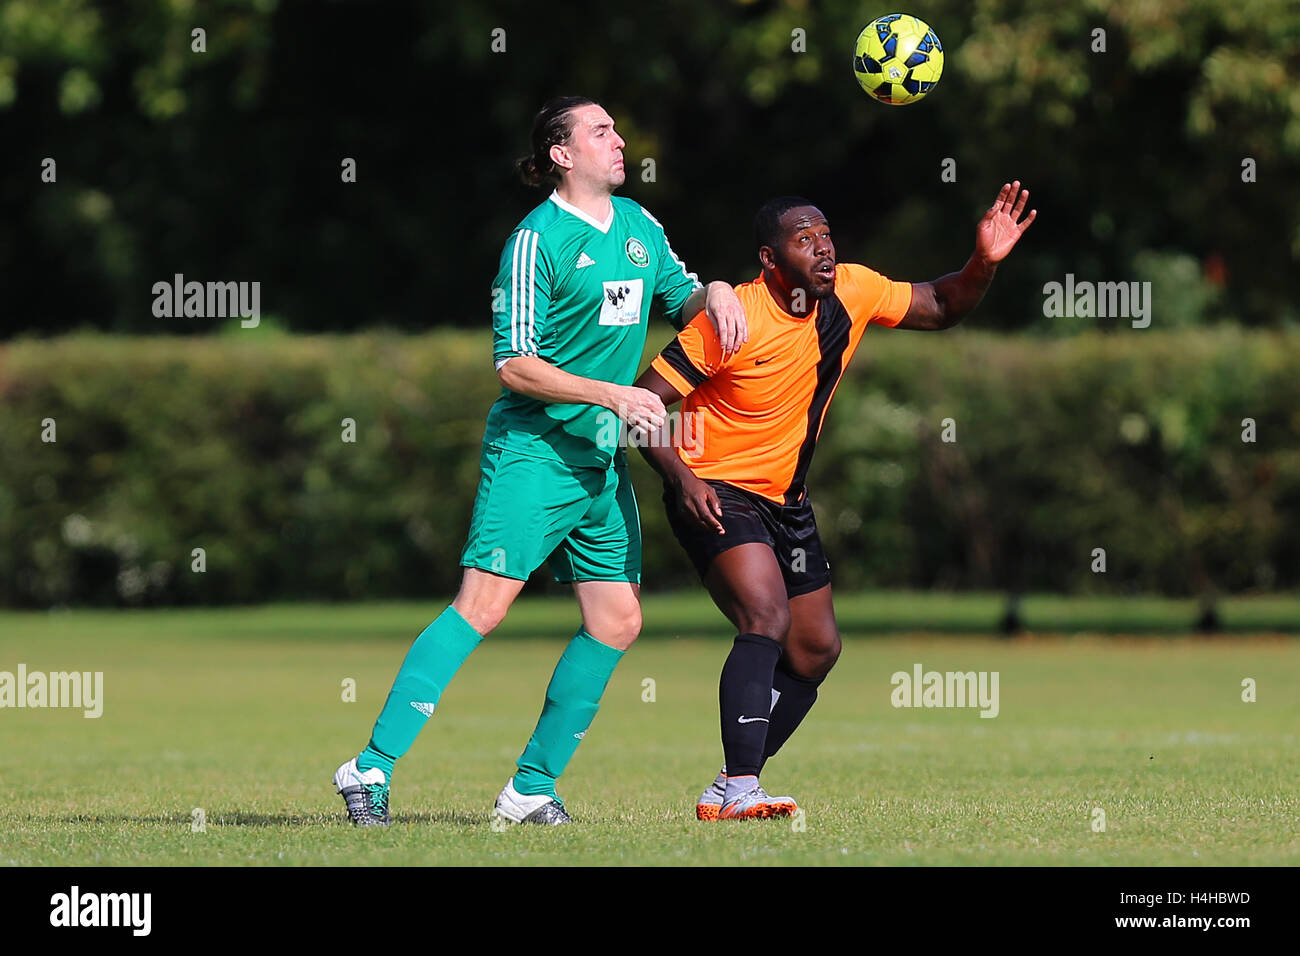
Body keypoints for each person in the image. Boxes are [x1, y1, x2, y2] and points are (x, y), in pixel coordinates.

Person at [333, 96, 748, 826]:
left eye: (616, 130)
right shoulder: (535, 241)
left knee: (617, 620)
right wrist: (614, 396)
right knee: (482, 608)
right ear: (562, 153)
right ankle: (367, 770)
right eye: (602, 131)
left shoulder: (639, 227)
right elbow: (515, 366)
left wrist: (717, 289)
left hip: (597, 464)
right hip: (534, 452)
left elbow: (686, 304)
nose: (619, 141)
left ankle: (529, 790)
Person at [633, 185, 1036, 819]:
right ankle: (742, 789)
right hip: (716, 490)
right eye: (804, 240)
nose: (823, 249)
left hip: (786, 499)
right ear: (769, 259)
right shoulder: (732, 317)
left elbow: (941, 303)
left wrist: (983, 261)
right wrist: (682, 478)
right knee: (765, 617)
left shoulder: (853, 288)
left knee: (815, 649)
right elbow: (642, 406)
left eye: (825, 236)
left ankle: (727, 786)